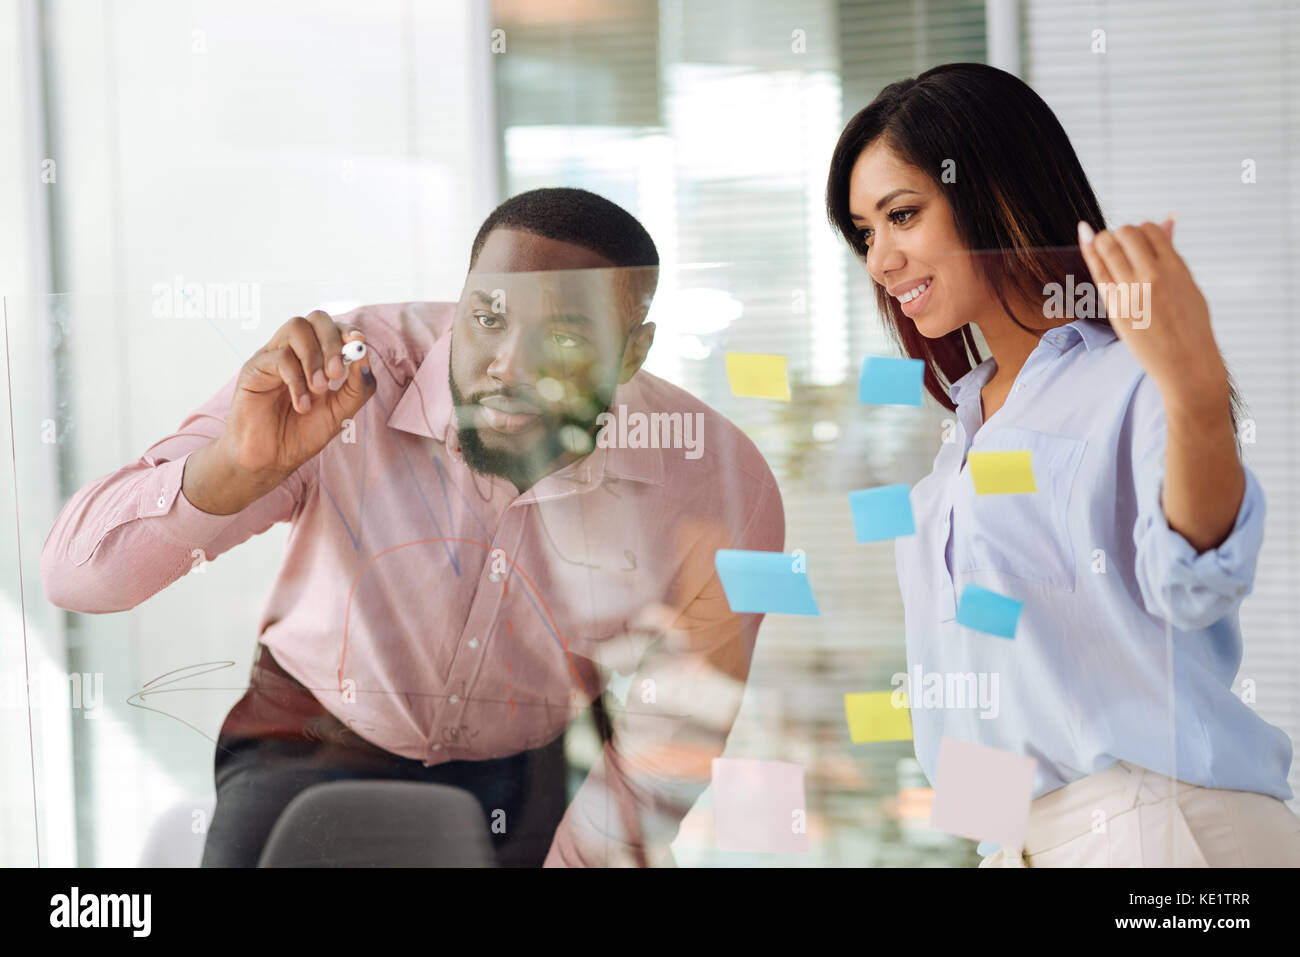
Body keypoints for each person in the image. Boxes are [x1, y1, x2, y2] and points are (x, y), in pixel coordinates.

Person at [41, 187, 785, 867]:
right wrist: (236, 466)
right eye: (487, 318)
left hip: (524, 767)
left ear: (632, 353)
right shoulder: (337, 375)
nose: (507, 366)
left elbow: (665, 750)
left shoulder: (718, 488)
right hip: (306, 734)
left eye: (564, 338)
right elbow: (76, 577)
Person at [825, 63, 1299, 866]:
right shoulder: (963, 439)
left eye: (902, 215)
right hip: (1015, 841)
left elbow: (1198, 579)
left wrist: (1192, 390)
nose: (880, 260)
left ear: (995, 191)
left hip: (1157, 830)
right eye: (866, 234)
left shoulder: (1131, 380)